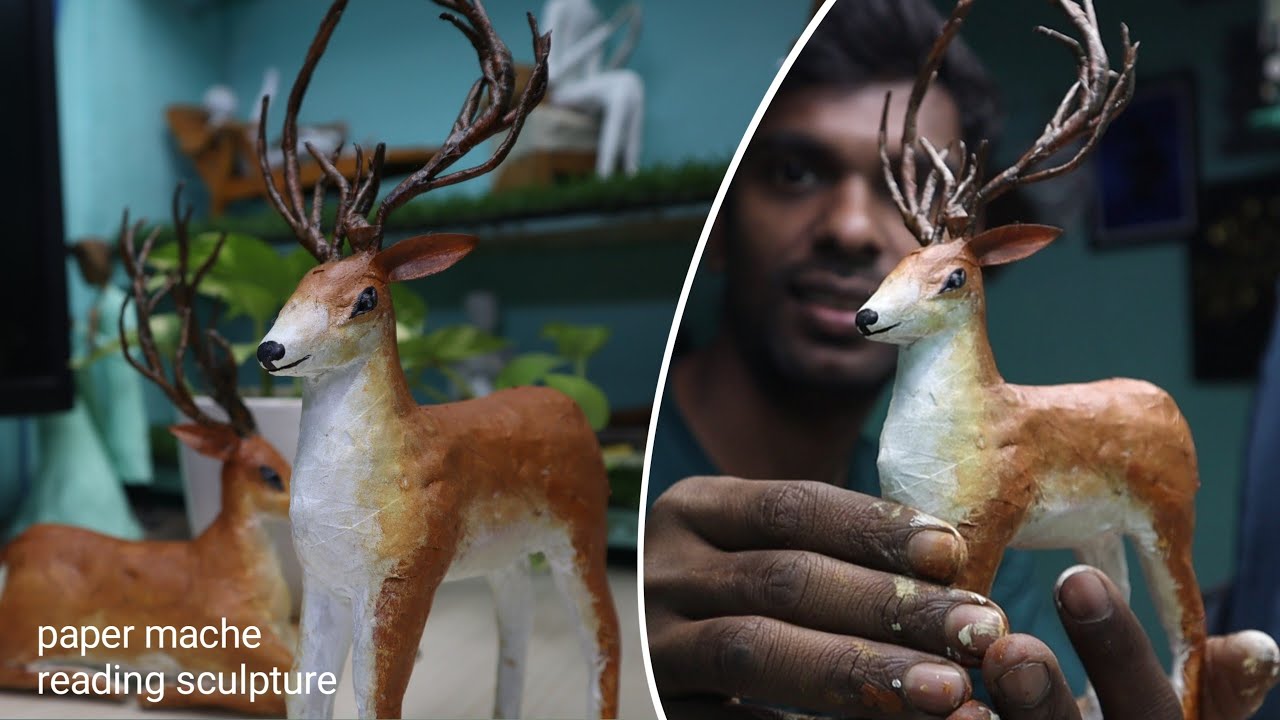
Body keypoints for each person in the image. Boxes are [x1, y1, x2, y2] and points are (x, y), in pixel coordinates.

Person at [643, 1, 1280, 717]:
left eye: (908, 190)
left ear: (979, 257)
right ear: (717, 222)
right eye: (794, 172)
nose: (851, 229)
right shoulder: (641, 486)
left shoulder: (973, 512)